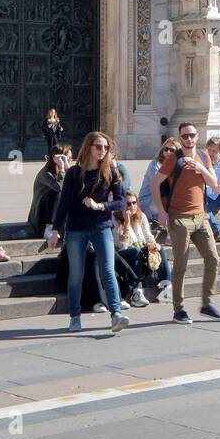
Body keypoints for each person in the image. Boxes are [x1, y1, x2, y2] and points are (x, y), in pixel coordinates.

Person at [49, 132, 130, 333]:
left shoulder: (111, 171)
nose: (103, 151)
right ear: (89, 148)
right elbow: (64, 204)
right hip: (77, 229)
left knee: (108, 271)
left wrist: (100, 206)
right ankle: (75, 317)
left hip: (102, 227)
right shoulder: (74, 173)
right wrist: (56, 230)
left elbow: (121, 201)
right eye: (98, 147)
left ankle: (116, 314)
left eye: (105, 147)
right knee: (76, 274)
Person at [151, 121, 220, 324]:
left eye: (192, 135)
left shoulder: (203, 156)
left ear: (197, 136)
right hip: (179, 219)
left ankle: (207, 304)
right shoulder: (173, 159)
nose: (189, 139)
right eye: (184, 136)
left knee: (213, 259)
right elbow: (155, 183)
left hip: (201, 218)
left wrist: (200, 167)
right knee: (181, 266)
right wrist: (161, 211)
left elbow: (213, 183)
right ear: (180, 137)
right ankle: (179, 310)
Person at [114, 191, 172, 306]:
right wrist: (126, 222)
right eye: (128, 204)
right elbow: (123, 246)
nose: (132, 206)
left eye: (134, 203)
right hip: (121, 255)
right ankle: (137, 292)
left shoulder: (141, 216)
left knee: (160, 249)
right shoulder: (114, 220)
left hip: (140, 252)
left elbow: (149, 237)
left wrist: (153, 245)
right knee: (135, 251)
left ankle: (167, 288)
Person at [27, 144, 72, 240]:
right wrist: (63, 169)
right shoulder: (45, 173)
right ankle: (49, 228)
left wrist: (68, 169)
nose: (70, 160)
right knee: (56, 192)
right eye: (68, 158)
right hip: (41, 214)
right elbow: (59, 188)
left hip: (59, 212)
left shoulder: (62, 170)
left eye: (70, 158)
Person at [138, 138, 179, 222]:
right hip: (149, 200)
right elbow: (160, 187)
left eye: (172, 150)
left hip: (164, 198)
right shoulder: (155, 164)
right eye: (166, 149)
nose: (168, 152)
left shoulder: (179, 164)